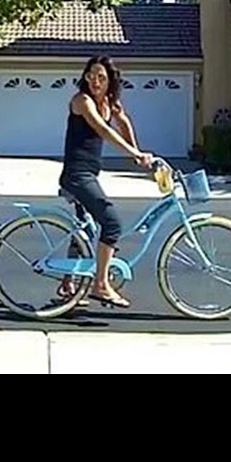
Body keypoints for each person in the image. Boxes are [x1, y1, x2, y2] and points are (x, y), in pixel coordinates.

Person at [57, 56, 154, 309]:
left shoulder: (109, 102)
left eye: (101, 77)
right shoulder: (82, 101)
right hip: (77, 175)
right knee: (111, 224)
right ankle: (101, 285)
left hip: (88, 173)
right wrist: (133, 154)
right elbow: (103, 130)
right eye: (91, 75)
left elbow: (122, 122)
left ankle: (67, 284)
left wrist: (137, 151)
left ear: (110, 80)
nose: (95, 81)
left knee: (84, 230)